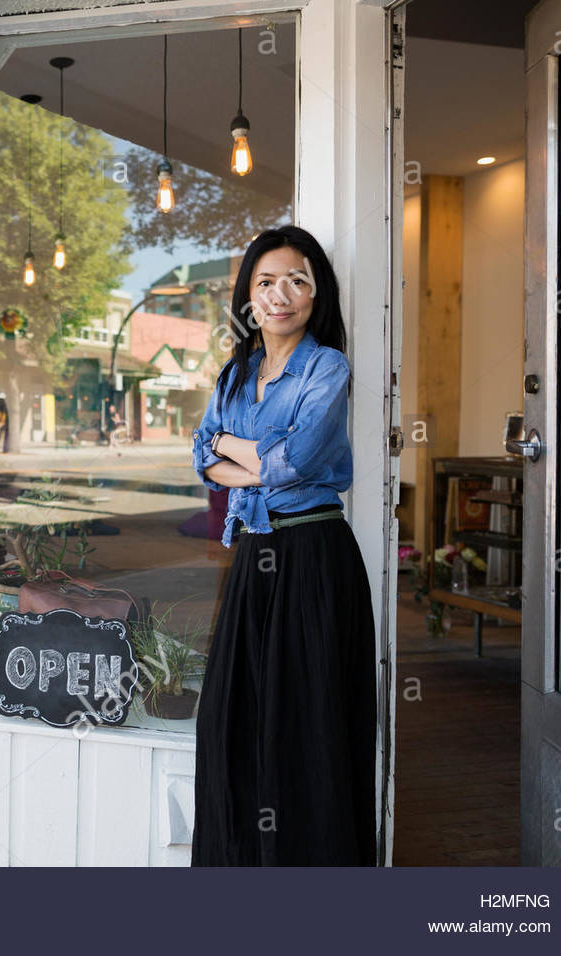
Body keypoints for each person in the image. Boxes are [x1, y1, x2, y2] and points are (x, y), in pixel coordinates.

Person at [189, 224, 376, 866]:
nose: (280, 293)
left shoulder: (328, 365)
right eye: (266, 282)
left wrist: (233, 449)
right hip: (254, 560)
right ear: (249, 296)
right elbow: (199, 452)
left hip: (316, 557)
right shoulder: (236, 373)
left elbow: (295, 462)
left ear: (315, 291)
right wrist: (253, 456)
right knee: (231, 723)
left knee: (307, 728)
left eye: (296, 279)